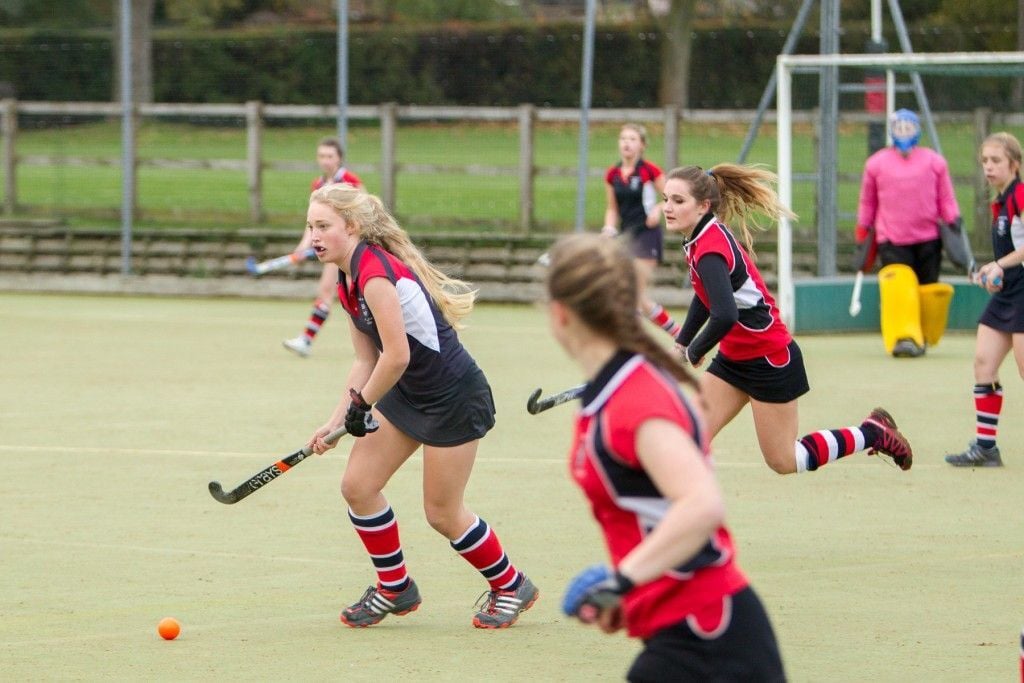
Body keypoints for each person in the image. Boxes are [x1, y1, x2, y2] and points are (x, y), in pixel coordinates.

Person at [546, 233, 786, 682]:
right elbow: (652, 510)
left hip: (709, 639)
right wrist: (631, 595)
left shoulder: (634, 400)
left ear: (560, 315)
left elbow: (701, 504)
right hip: (687, 631)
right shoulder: (616, 390)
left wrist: (623, 580)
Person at [304, 182, 538, 628]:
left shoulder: (374, 274)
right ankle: (395, 587)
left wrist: (361, 407)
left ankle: (510, 584)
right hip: (407, 392)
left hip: (453, 396)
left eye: (322, 226)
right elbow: (365, 359)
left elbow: (397, 356)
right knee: (358, 485)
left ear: (351, 227)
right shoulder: (346, 277)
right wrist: (336, 420)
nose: (313, 236)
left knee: (442, 513)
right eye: (310, 226)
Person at [666, 164, 914, 474]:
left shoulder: (710, 248)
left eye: (678, 201)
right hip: (734, 360)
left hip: (768, 360)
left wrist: (694, 351)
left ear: (703, 206)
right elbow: (708, 297)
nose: (667, 208)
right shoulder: (700, 237)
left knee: (785, 460)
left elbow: (725, 314)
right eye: (666, 199)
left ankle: (872, 433)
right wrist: (682, 342)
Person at [855, 108, 962, 358]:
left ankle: (922, 335)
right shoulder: (876, 164)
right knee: (900, 289)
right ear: (892, 131)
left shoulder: (935, 162)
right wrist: (863, 227)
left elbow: (946, 198)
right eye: (899, 128)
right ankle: (904, 337)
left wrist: (953, 220)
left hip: (929, 239)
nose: (904, 133)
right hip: (891, 239)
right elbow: (867, 202)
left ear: (918, 130)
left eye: (909, 127)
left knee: (925, 289)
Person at [945, 132, 1024, 467]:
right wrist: (992, 277)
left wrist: (999, 265)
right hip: (1009, 291)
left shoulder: (1020, 194)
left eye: (996, 161)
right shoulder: (999, 201)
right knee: (983, 364)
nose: (989, 168)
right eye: (985, 162)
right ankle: (986, 449)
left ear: (1014, 165)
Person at [283, 137, 364, 357]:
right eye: (321, 156)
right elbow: (313, 222)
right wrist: (303, 246)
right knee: (328, 292)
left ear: (339, 158)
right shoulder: (318, 185)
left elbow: (364, 215)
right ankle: (306, 340)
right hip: (332, 250)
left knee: (355, 296)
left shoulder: (350, 181)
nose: (325, 161)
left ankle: (374, 345)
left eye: (330, 156)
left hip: (350, 249)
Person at [602, 123, 682, 339]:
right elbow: (612, 209)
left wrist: (658, 210)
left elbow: (672, 196)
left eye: (632, 139)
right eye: (623, 138)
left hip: (647, 236)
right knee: (635, 297)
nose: (626, 143)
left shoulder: (650, 171)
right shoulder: (612, 174)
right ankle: (679, 333)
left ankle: (632, 341)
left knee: (634, 291)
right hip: (626, 237)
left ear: (642, 145)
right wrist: (608, 228)